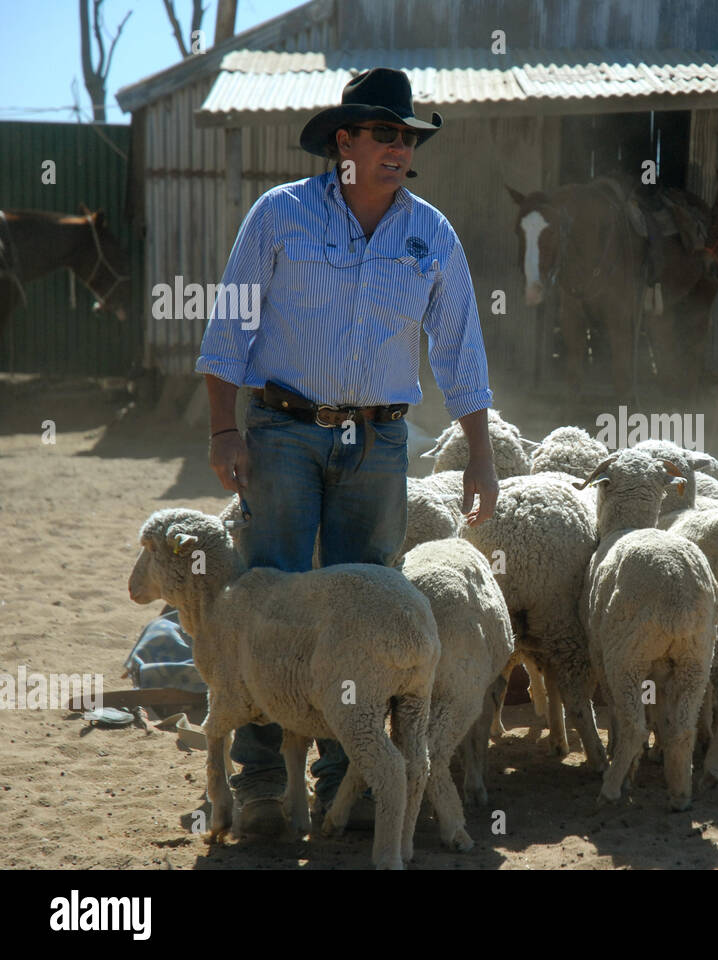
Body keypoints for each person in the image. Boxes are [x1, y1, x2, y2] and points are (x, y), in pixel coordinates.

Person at [196, 67, 498, 837]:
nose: (400, 148)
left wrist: (482, 455)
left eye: (407, 137)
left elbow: (460, 351)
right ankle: (263, 782)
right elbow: (229, 325)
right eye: (385, 133)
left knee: (364, 608)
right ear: (345, 142)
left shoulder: (430, 235)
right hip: (285, 430)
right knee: (274, 598)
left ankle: (348, 780)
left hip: (381, 438)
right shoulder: (280, 217)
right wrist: (222, 429)